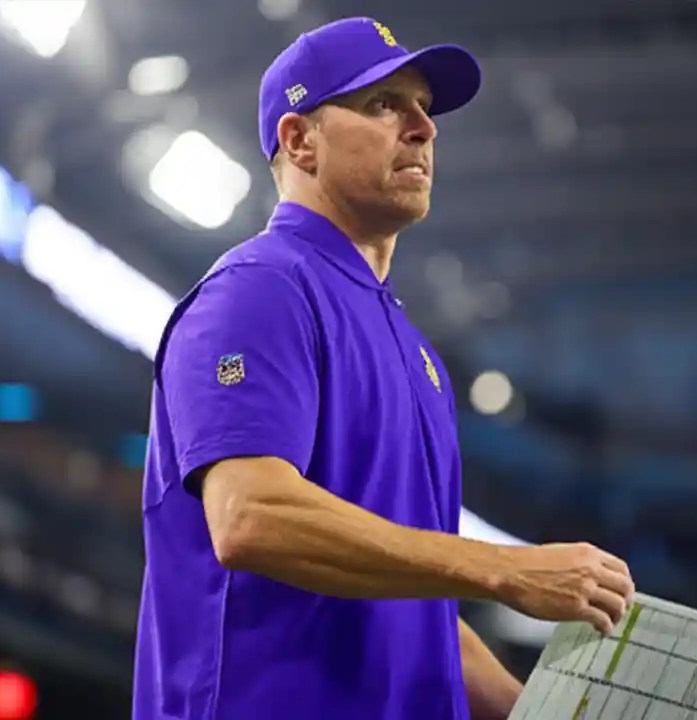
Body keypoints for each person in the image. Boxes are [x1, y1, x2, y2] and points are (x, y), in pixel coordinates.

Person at [132, 16, 635, 720]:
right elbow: (251, 514)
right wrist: (505, 569)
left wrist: (537, 713)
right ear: (299, 140)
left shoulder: (415, 351)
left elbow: (417, 614)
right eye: (383, 104)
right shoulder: (260, 287)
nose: (424, 128)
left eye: (425, 109)